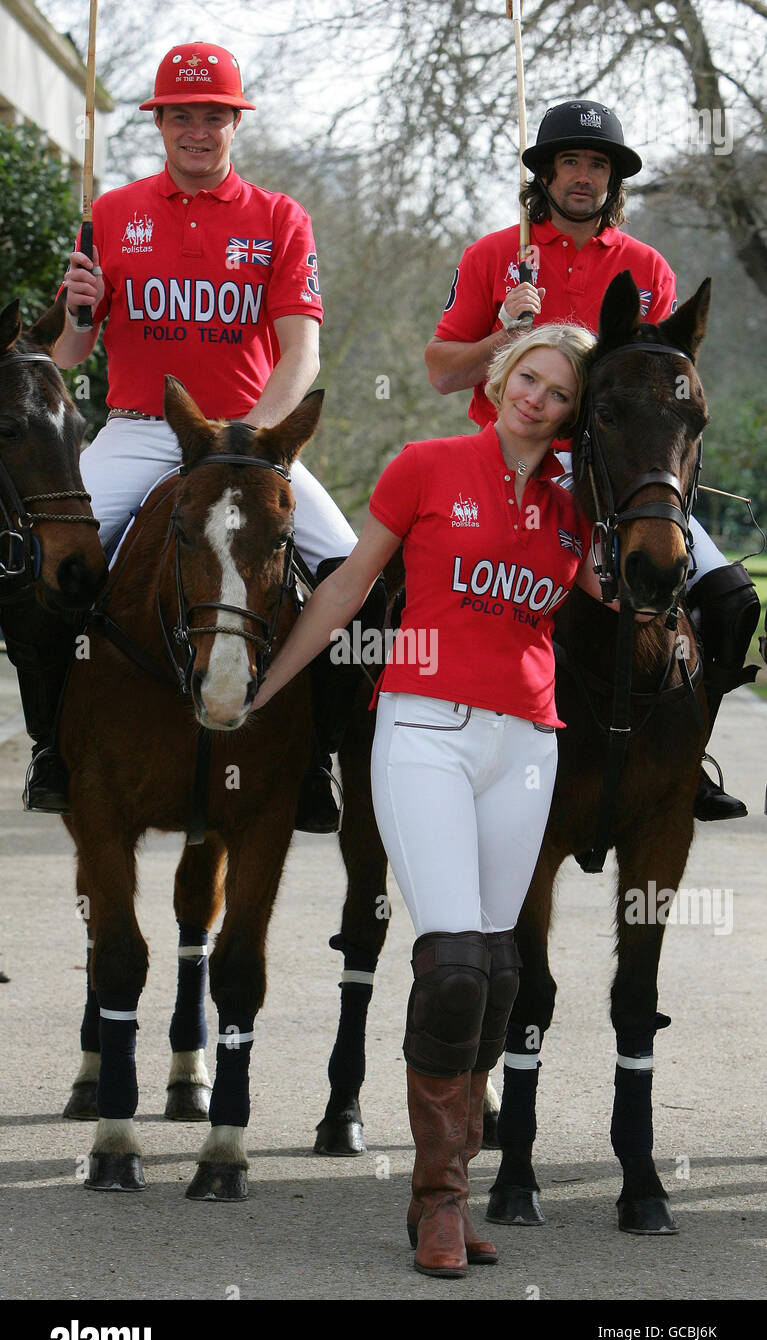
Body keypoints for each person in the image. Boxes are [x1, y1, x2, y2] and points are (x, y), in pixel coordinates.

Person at [249, 323, 600, 1276]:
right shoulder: (427, 464)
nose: (536, 399)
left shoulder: (581, 504)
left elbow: (630, 591)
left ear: (576, 411)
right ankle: (437, 1204)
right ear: (499, 375)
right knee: (449, 963)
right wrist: (263, 689)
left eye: (559, 392)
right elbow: (347, 588)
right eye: (527, 378)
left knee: (495, 966)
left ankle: (457, 1187)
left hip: (526, 741)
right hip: (423, 728)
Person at [21, 40, 381, 825]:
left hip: (247, 438)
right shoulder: (111, 214)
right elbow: (72, 354)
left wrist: (252, 440)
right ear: (159, 123)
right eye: (180, 115)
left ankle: (313, 755)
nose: (196, 129)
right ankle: (52, 745)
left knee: (355, 579)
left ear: (233, 123)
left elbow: (301, 352)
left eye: (212, 115)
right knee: (49, 564)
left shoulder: (280, 218)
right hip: (141, 430)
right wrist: (78, 311)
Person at [425, 100, 761, 820]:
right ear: (544, 174)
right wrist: (504, 334)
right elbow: (440, 370)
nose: (583, 177)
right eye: (570, 162)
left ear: (613, 181)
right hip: (513, 465)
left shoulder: (646, 267)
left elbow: (668, 385)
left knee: (731, 599)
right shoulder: (494, 256)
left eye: (597, 165)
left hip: (616, 474)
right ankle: (394, 737)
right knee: (393, 585)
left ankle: (683, 753)